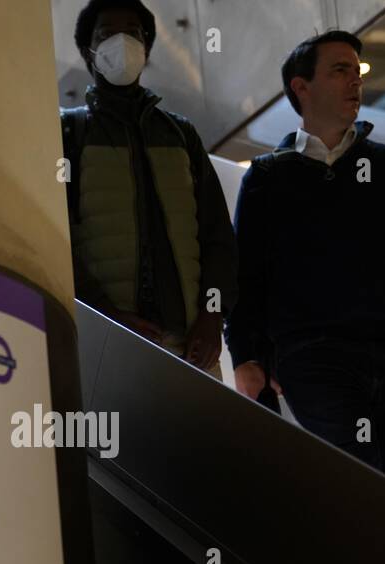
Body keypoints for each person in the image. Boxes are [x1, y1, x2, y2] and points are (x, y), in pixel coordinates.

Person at [225, 30, 385, 492]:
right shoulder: (268, 179)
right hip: (313, 357)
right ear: (301, 87)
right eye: (339, 70)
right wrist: (245, 356)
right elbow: (245, 279)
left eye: (357, 72)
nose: (355, 82)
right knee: (364, 489)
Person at [61, 0, 238, 377]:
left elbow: (216, 234)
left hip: (192, 345)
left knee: (201, 436)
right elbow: (59, 239)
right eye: (106, 34)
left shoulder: (179, 133)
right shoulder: (69, 133)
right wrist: (104, 316)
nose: (121, 42)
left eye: (133, 32)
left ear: (146, 47)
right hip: (110, 341)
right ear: (88, 51)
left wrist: (212, 315)